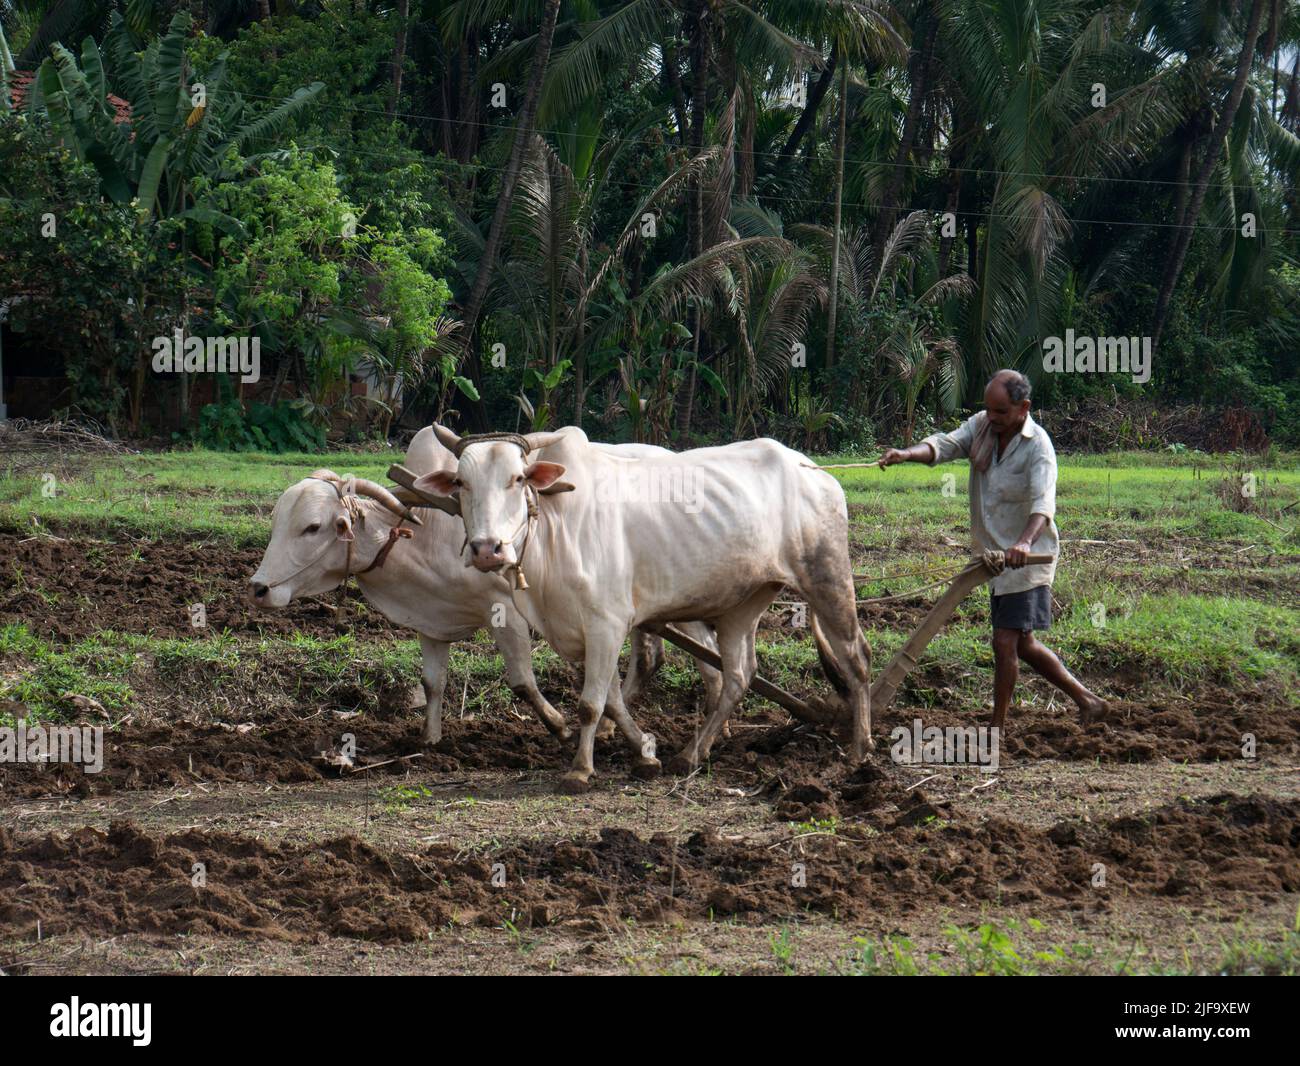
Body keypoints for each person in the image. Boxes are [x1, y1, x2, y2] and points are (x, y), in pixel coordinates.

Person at [877, 369, 1108, 732]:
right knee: (1024, 644)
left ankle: (997, 726)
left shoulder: (1039, 448)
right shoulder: (983, 426)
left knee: (1004, 642)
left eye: (1000, 411)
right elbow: (945, 444)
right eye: (988, 410)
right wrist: (907, 453)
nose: (992, 418)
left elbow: (1043, 506)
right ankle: (1089, 701)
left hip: (1026, 559)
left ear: (1023, 407)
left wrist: (1023, 543)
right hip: (992, 557)